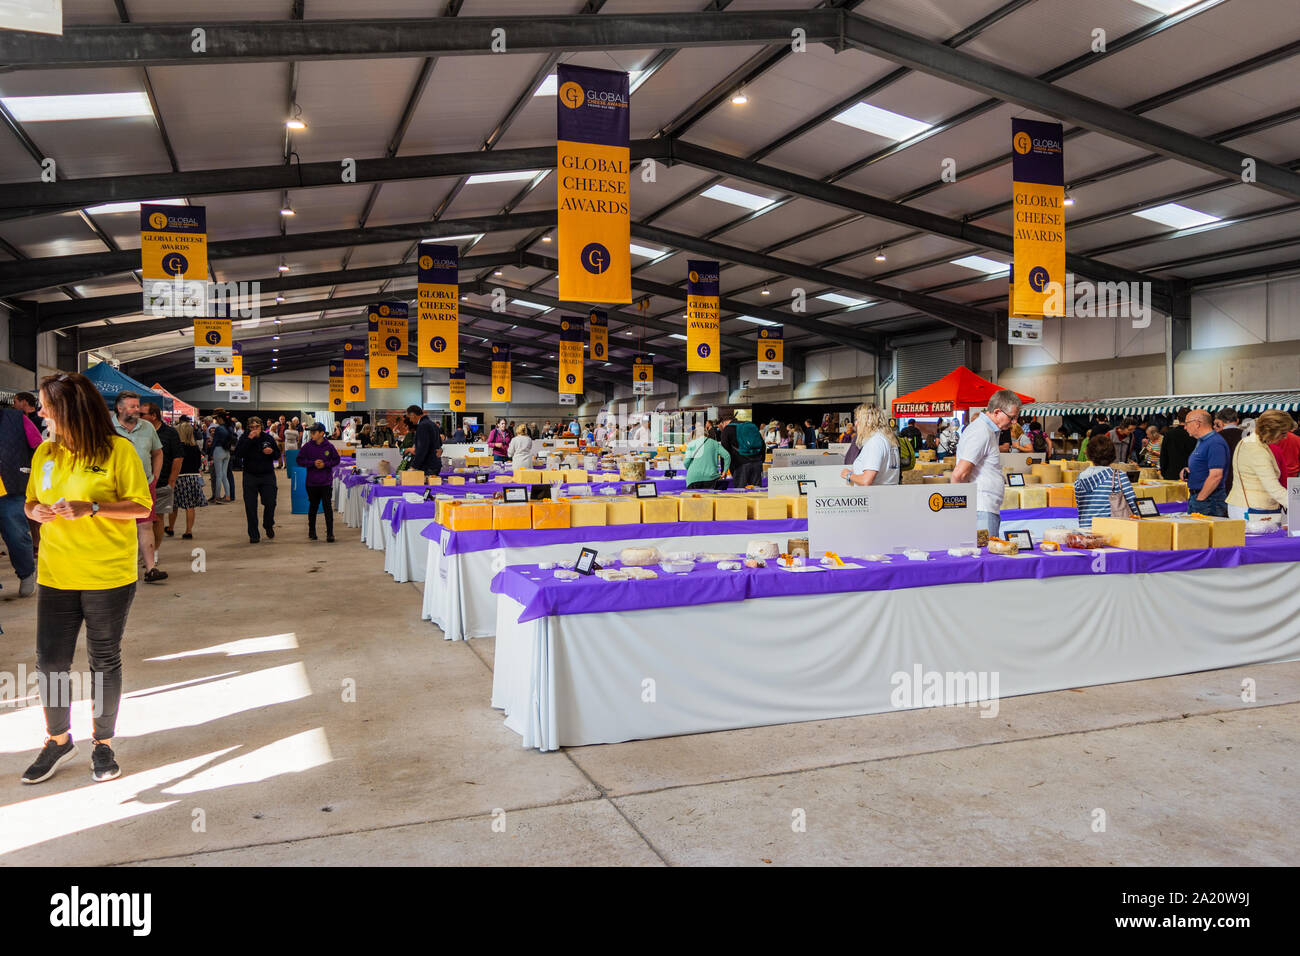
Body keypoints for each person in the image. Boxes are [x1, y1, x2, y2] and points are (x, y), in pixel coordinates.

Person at [22, 372, 152, 784]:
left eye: (46, 405)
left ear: (68, 410)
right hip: (57, 573)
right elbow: (29, 501)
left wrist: (93, 507)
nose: (40, 412)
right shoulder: (45, 452)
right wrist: (34, 513)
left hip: (106, 574)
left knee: (103, 661)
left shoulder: (119, 450)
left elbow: (140, 506)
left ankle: (103, 742)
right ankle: (58, 739)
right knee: (51, 662)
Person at [112, 391, 167, 584]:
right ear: (120, 408)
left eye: (138, 406)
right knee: (117, 525)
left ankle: (151, 568)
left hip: (144, 483)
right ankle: (119, 566)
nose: (137, 410)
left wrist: (156, 477)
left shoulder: (147, 428)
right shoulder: (106, 427)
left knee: (145, 524)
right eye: (133, 406)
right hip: (114, 487)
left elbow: (157, 453)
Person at [952, 391, 1021, 537]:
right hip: (981, 507)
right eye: (1012, 417)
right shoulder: (981, 431)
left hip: (985, 507)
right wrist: (960, 507)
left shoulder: (989, 431)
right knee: (986, 556)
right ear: (997, 412)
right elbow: (960, 473)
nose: (1014, 422)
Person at [0, 403, 42, 597]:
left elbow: (39, 447)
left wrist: (32, 474)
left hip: (12, 488)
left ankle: (26, 573)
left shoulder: (16, 418)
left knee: (16, 534)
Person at [1226, 409, 1292, 521]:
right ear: (1272, 431)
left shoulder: (1249, 442)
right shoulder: (1256, 449)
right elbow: (1273, 488)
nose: (1285, 437)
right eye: (1283, 433)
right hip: (1254, 510)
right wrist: (1295, 505)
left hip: (1246, 506)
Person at [1073, 434, 1139, 529]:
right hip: (1113, 529)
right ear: (1112, 454)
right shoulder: (1118, 476)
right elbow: (1133, 503)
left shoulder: (1080, 478)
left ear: (1089, 454)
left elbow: (1080, 506)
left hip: (1086, 530)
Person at [140, 402, 182, 547]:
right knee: (140, 519)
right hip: (140, 483)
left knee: (157, 518)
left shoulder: (170, 433)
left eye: (142, 414)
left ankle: (154, 551)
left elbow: (178, 457)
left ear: (153, 416)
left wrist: (171, 481)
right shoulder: (139, 431)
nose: (138, 417)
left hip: (161, 482)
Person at [235, 417, 280, 544]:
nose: (255, 429)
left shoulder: (268, 438)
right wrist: (249, 439)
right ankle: (254, 534)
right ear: (248, 428)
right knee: (250, 506)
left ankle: (268, 524)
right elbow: (238, 455)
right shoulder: (244, 438)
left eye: (257, 427)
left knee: (271, 502)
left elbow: (277, 454)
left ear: (261, 427)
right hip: (250, 475)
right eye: (252, 427)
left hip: (267, 475)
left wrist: (271, 452)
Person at [1181, 409, 1230, 517]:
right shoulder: (1203, 441)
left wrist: (1201, 498)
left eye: (1187, 423)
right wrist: (1189, 470)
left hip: (1209, 500)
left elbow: (1216, 475)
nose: (1185, 427)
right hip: (1202, 498)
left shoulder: (1214, 443)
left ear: (1197, 423)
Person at [297, 422, 340, 541]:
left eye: (314, 432)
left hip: (326, 482)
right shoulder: (307, 446)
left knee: (327, 508)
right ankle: (311, 531)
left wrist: (325, 464)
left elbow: (336, 460)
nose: (311, 434)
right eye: (310, 432)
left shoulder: (329, 446)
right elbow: (299, 460)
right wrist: (312, 464)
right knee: (313, 507)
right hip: (311, 483)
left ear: (322, 433)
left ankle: (330, 533)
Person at [841, 404, 900, 486]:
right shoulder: (887, 439)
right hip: (885, 494)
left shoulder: (875, 442)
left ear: (867, 421)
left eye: (858, 420)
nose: (856, 424)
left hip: (873, 496)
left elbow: (866, 480)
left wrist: (848, 475)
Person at [167, 421, 208, 539]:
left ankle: (170, 528)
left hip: (177, 478)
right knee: (190, 507)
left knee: (173, 506)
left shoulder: (176, 447)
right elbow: (198, 464)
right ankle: (188, 531)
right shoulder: (195, 448)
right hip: (192, 478)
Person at [721, 414, 765, 488]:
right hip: (757, 463)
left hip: (740, 464)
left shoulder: (727, 429)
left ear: (724, 422)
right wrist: (761, 460)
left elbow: (724, 452)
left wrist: (724, 470)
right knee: (756, 492)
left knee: (740, 492)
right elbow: (762, 444)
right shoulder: (750, 426)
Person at [684, 424, 730, 490]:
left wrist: (694, 469)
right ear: (707, 434)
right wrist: (724, 472)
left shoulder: (692, 444)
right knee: (709, 499)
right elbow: (727, 456)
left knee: (693, 499)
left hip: (693, 478)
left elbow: (686, 463)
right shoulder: (714, 443)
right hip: (711, 478)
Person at [1159, 407, 1197, 480]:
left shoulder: (1169, 434)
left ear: (1177, 418)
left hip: (1171, 474)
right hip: (1190, 474)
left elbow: (1163, 455)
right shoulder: (1194, 434)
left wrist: (1164, 472)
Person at [1212, 408, 1244, 494]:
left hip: (1222, 485)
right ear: (1237, 420)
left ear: (1220, 422)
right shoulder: (1248, 436)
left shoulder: (1215, 438)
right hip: (1244, 485)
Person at [407, 404, 443, 476]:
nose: (410, 420)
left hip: (427, 466)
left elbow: (422, 448)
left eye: (409, 417)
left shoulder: (422, 425)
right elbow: (439, 444)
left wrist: (414, 466)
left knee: (425, 487)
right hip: (435, 465)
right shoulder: (433, 424)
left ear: (413, 415)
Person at [209, 411, 233, 502]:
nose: (216, 421)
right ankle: (227, 495)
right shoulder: (229, 427)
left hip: (218, 451)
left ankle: (217, 496)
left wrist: (211, 453)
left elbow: (214, 442)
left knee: (218, 475)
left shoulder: (219, 428)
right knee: (224, 475)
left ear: (220, 418)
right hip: (227, 452)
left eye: (216, 419)